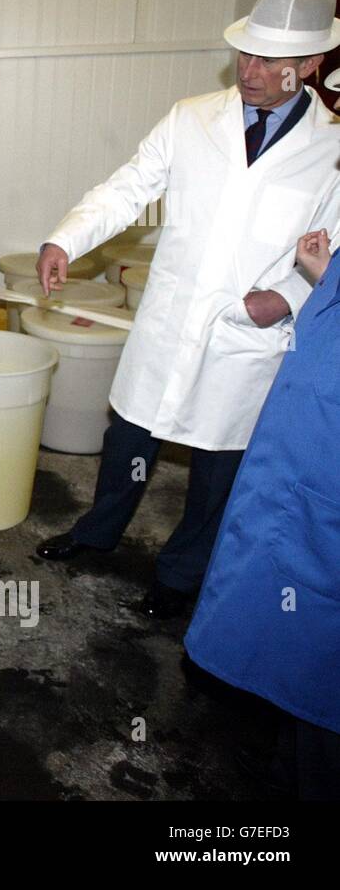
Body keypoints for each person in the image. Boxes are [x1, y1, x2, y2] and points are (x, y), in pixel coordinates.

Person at [32, 0, 340, 619]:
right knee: (130, 438)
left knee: (218, 464)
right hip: (172, 318)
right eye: (245, 55)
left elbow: (332, 244)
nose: (250, 71)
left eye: (269, 61)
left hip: (246, 333)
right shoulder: (192, 118)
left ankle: (181, 574)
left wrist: (284, 297)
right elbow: (127, 189)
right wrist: (65, 240)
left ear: (310, 65)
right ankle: (96, 536)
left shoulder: (332, 151)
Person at [185, 220, 339, 799]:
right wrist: (325, 278)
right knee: (299, 637)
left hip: (325, 483)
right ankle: (292, 761)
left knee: (324, 653)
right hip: (303, 469)